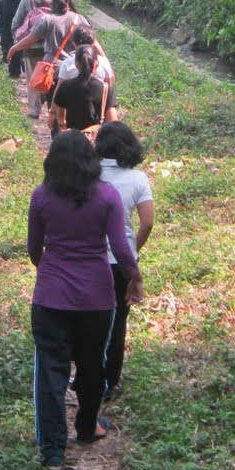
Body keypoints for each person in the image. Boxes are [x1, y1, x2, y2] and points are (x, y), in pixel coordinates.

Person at [28, 131, 142, 470]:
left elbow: (35, 249)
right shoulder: (106, 196)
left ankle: (52, 451)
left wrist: (51, 271)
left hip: (50, 299)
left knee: (50, 372)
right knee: (93, 365)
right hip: (97, 297)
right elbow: (120, 248)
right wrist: (134, 277)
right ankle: (87, 427)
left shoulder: (41, 197)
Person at [94, 122, 154, 401]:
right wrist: (133, 250)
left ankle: (88, 374)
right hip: (121, 262)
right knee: (118, 318)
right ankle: (111, 381)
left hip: (90, 258)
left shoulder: (89, 176)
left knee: (89, 317)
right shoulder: (138, 179)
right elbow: (147, 223)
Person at [9, 0, 55, 117]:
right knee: (51, 76)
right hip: (52, 46)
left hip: (31, 45)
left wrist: (18, 39)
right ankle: (51, 107)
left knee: (32, 77)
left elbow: (16, 21)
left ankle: (35, 110)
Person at [56, 27, 118, 120]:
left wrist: (54, 116)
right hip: (97, 125)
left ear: (74, 43)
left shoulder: (67, 65)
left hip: (72, 125)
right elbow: (110, 82)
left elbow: (59, 95)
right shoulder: (104, 63)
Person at [52, 45, 111, 138]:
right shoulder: (105, 89)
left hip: (72, 139)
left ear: (76, 64)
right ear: (96, 64)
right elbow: (112, 119)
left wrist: (62, 126)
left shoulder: (65, 86)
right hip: (95, 141)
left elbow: (60, 116)